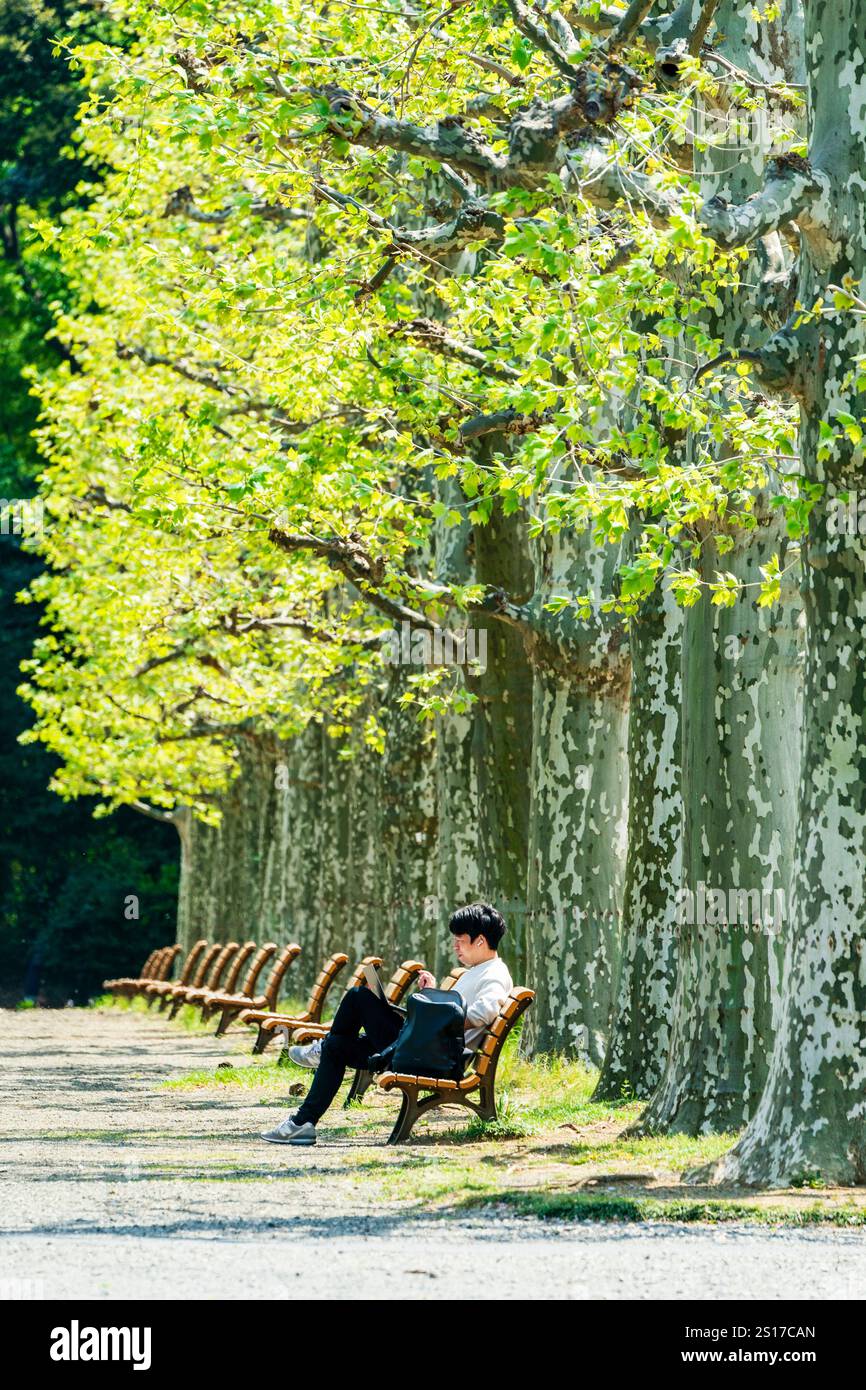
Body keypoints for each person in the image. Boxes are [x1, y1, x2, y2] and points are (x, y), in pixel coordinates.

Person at [260, 902, 513, 1146]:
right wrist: (432, 994)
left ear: (480, 940)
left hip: (432, 1057)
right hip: (422, 1047)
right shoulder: (475, 970)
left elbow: (483, 1012)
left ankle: (320, 1050)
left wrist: (430, 1017)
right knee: (337, 1046)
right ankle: (302, 1124)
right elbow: (453, 1011)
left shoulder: (494, 974)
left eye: (461, 941)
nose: (455, 947)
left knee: (360, 997)